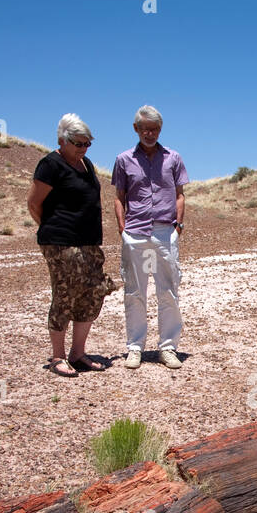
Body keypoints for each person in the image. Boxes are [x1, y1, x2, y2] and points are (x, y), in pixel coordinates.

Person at [28, 113, 115, 377]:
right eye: (78, 143)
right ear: (62, 140)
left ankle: (78, 353)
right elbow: (34, 203)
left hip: (89, 242)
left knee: (92, 293)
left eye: (88, 143)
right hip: (61, 242)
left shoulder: (86, 164)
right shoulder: (50, 164)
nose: (84, 148)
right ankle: (58, 356)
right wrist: (54, 229)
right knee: (65, 294)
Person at [112, 105, 189, 369]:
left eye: (155, 129)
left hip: (165, 232)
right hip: (136, 233)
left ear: (160, 129)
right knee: (135, 291)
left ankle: (168, 348)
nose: (150, 133)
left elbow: (179, 194)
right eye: (145, 128)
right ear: (136, 129)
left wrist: (177, 227)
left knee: (168, 290)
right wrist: (123, 231)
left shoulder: (173, 158)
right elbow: (119, 198)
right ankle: (135, 348)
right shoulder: (124, 160)